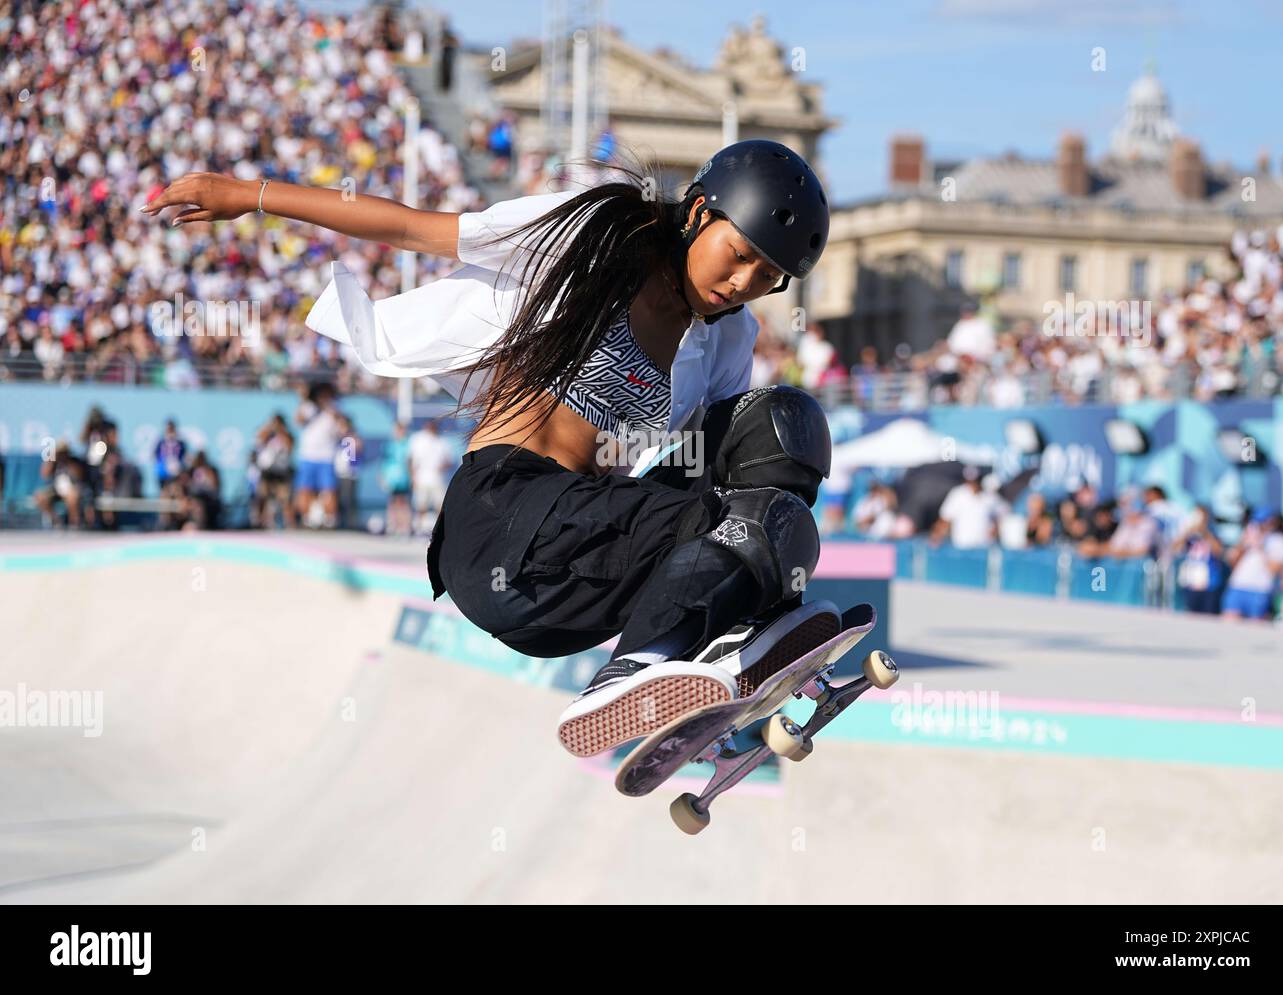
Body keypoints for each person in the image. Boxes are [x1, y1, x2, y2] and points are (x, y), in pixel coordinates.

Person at [144, 140, 833, 761]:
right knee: (737, 521)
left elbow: (732, 471)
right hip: (502, 526)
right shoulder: (598, 237)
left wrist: (768, 580)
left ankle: (721, 671)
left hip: (580, 571)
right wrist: (248, 195)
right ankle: (639, 667)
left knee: (783, 437)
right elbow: (414, 228)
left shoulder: (726, 340)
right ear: (700, 213)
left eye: (768, 277)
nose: (743, 283)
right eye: (739, 255)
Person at [1221, 509, 1283, 621]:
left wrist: (1261, 546)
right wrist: (1242, 544)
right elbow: (1231, 562)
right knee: (1228, 623)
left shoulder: (1280, 541)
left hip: (1259, 591)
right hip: (1237, 586)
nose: (1261, 526)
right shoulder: (1247, 538)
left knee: (1255, 630)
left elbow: (1273, 570)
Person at [293, 381, 341, 528]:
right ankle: (307, 519)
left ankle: (329, 520)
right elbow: (298, 420)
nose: (323, 397)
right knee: (305, 489)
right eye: (321, 395)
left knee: (329, 489)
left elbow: (342, 429)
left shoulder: (335, 410)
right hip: (308, 456)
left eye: (326, 395)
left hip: (326, 456)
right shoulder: (309, 408)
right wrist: (303, 399)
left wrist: (331, 411)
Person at [408, 419, 454, 534]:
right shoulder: (418, 439)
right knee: (420, 506)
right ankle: (419, 530)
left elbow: (449, 462)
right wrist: (412, 477)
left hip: (438, 479)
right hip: (421, 478)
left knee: (440, 506)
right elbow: (411, 460)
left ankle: (440, 530)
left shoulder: (442, 442)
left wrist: (443, 466)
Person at [380, 420, 413, 536]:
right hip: (392, 478)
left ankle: (404, 527)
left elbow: (410, 463)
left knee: (403, 502)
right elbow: (385, 462)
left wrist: (412, 477)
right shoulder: (390, 445)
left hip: (404, 478)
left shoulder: (408, 444)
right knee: (393, 501)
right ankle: (393, 526)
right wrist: (382, 477)